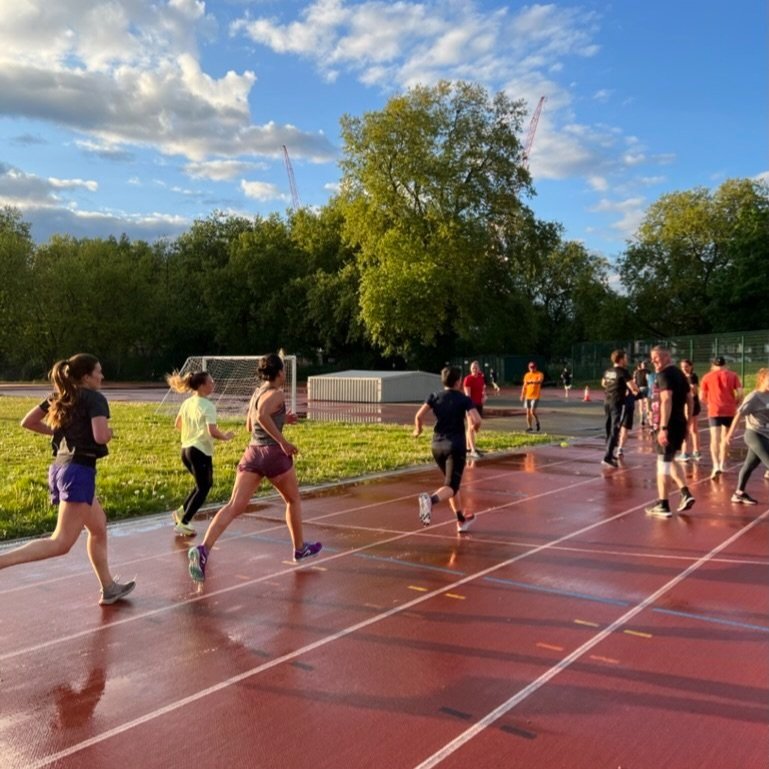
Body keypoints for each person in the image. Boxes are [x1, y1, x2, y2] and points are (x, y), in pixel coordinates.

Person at [0, 353, 135, 605]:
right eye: (99, 372)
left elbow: (27, 422)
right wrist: (109, 433)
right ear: (86, 376)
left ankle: (108, 587)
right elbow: (99, 436)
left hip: (62, 468)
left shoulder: (60, 396)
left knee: (98, 527)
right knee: (60, 542)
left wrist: (57, 431)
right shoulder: (95, 398)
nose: (102, 376)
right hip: (79, 470)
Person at [188, 354, 321, 582]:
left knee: (233, 506)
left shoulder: (257, 393)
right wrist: (282, 441)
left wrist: (281, 420)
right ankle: (299, 548)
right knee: (293, 500)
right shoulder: (277, 393)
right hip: (272, 455)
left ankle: (203, 549)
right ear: (280, 373)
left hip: (252, 454)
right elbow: (261, 416)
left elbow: (252, 424)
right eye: (284, 371)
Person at [166, 370, 234, 537]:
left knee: (202, 484)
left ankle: (181, 512)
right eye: (210, 382)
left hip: (186, 450)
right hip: (199, 451)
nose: (213, 384)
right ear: (202, 386)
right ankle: (184, 522)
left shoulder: (188, 403)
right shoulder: (208, 406)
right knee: (204, 487)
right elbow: (212, 431)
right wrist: (225, 436)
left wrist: (192, 432)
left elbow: (178, 424)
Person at [414, 367, 482, 533]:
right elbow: (477, 418)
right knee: (451, 485)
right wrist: (475, 426)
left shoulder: (434, 396)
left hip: (436, 446)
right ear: (458, 382)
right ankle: (430, 501)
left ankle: (460, 520)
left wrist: (418, 430)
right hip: (455, 447)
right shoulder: (463, 399)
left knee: (452, 484)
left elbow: (419, 416)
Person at [645, 346, 696, 518]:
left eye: (657, 357)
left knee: (662, 465)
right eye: (652, 358)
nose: (653, 361)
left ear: (667, 357)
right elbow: (690, 399)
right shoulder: (680, 374)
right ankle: (685, 493)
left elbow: (666, 399)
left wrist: (663, 428)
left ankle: (663, 503)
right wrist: (688, 423)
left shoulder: (664, 375)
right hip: (679, 424)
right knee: (670, 459)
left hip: (668, 425)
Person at [725, 367, 769, 504]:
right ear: (763, 379)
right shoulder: (754, 396)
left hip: (766, 435)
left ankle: (739, 493)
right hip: (754, 434)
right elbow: (739, 414)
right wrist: (730, 434)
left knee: (749, 465)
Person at [700, 356, 742, 479]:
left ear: (713, 365)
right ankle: (723, 463)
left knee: (715, 439)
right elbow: (740, 393)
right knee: (726, 438)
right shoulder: (733, 375)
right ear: (725, 364)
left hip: (714, 410)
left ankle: (716, 465)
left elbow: (702, 396)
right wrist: (736, 402)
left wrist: (709, 403)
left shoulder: (707, 377)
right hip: (729, 409)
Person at [600, 350, 638, 468]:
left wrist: (613, 387)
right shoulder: (623, 372)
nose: (626, 360)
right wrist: (636, 391)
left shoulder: (608, 371)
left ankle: (610, 453)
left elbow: (603, 383)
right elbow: (633, 387)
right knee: (615, 428)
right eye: (625, 358)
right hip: (617, 402)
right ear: (621, 359)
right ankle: (607, 457)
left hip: (607, 401)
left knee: (609, 426)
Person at [679, 359, 701, 461]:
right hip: (688, 404)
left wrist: (689, 384)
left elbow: (694, 392)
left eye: (686, 366)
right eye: (682, 367)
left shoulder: (691, 377)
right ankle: (696, 451)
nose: (684, 369)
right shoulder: (682, 377)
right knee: (693, 429)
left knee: (688, 429)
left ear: (691, 366)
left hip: (690, 405)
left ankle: (685, 452)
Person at [463, 361, 486, 459]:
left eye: (476, 368)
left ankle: (468, 448)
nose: (474, 369)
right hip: (471, 405)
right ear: (470, 369)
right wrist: (468, 408)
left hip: (479, 404)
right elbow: (467, 395)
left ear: (479, 369)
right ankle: (472, 450)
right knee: (473, 424)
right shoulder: (468, 379)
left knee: (474, 425)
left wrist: (485, 396)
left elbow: (483, 390)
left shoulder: (481, 378)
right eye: (473, 368)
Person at [520, 361, 545, 432]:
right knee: (527, 412)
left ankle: (537, 421)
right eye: (531, 367)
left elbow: (540, 381)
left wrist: (531, 382)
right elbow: (524, 385)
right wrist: (522, 394)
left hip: (535, 396)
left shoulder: (539, 374)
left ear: (536, 367)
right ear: (528, 368)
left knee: (532, 411)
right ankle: (529, 426)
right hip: (528, 396)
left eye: (533, 367)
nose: (532, 369)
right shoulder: (527, 375)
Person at [633, 361, 650, 427]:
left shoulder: (637, 372)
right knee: (647, 404)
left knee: (641, 404)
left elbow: (634, 381)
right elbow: (649, 380)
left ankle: (641, 418)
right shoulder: (648, 372)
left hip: (639, 388)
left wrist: (634, 389)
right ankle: (648, 418)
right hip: (646, 388)